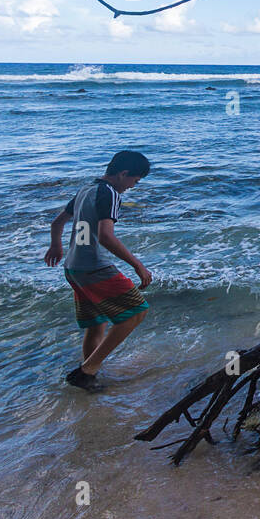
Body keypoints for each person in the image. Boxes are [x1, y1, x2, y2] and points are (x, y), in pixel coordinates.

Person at [44, 150, 153, 391]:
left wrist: (56, 245)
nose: (132, 187)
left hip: (73, 267)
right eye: (134, 181)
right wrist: (138, 265)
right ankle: (86, 371)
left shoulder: (86, 189)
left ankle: (89, 377)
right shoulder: (111, 193)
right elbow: (105, 236)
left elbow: (57, 222)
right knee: (136, 312)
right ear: (123, 174)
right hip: (95, 267)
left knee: (97, 324)